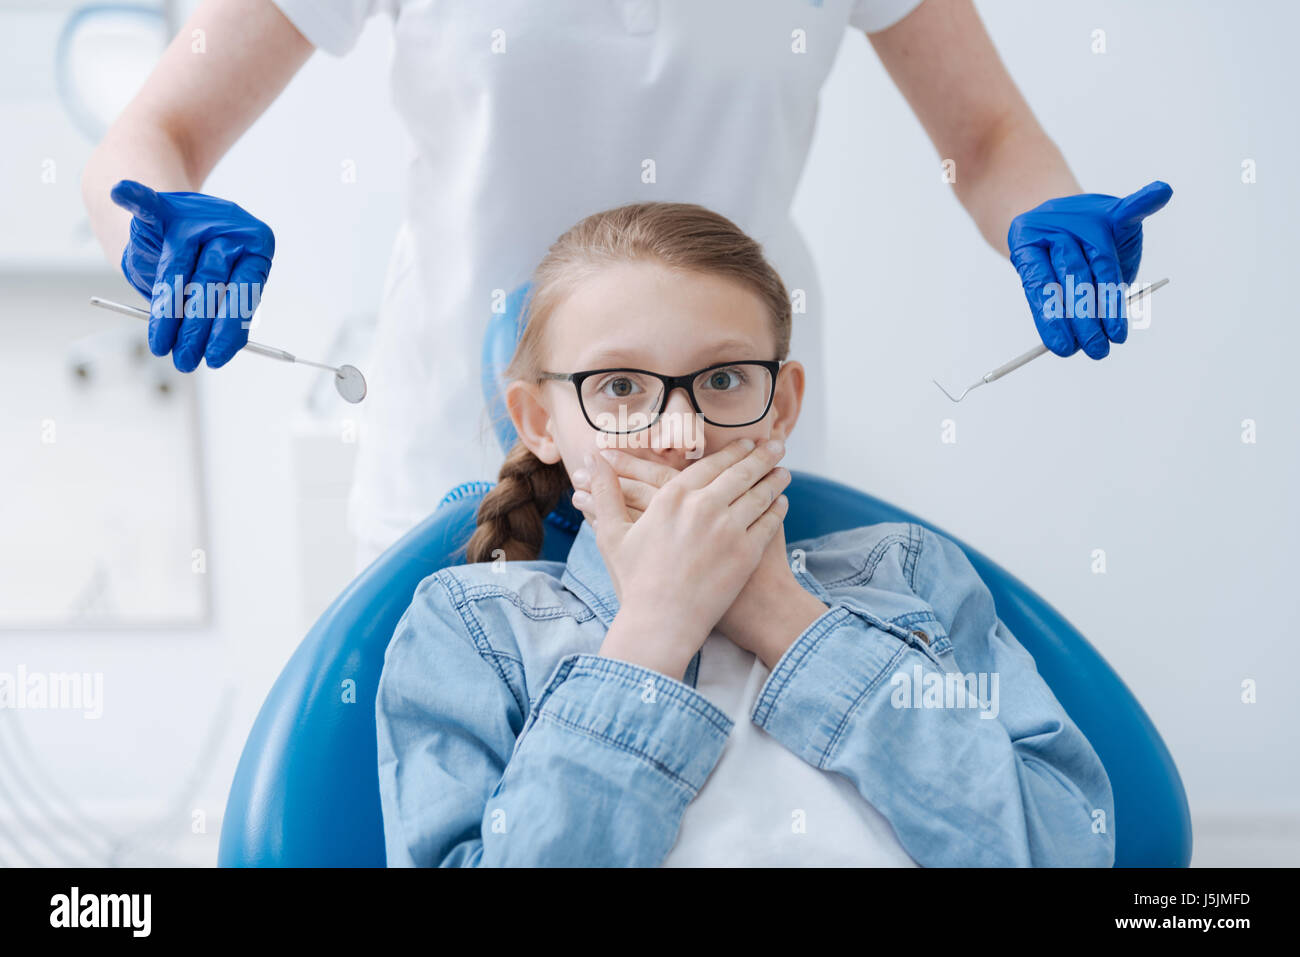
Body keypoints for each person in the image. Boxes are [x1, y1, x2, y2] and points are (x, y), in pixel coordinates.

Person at [81, 0, 1170, 572]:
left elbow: (983, 137)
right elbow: (156, 131)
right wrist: (162, 220)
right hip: (456, 459)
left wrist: (1041, 212)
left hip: (725, 450)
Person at [375, 201, 1115, 867]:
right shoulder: (472, 626)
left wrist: (783, 618)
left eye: (724, 378)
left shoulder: (909, 572)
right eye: (620, 387)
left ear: (782, 404)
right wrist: (653, 633)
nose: (681, 433)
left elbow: (1063, 848)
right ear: (540, 421)